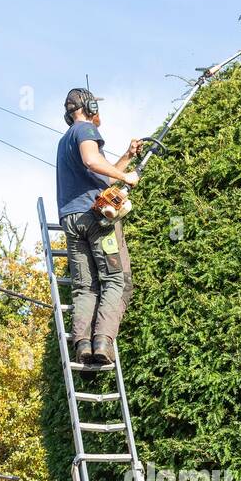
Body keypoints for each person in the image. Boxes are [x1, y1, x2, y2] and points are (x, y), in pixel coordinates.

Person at [55, 87, 141, 366]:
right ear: (89, 107)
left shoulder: (65, 140)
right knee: (117, 281)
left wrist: (127, 157)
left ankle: (83, 344)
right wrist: (127, 177)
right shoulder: (86, 130)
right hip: (95, 218)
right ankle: (103, 341)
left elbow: (101, 176)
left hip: (72, 220)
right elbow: (92, 160)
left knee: (84, 287)